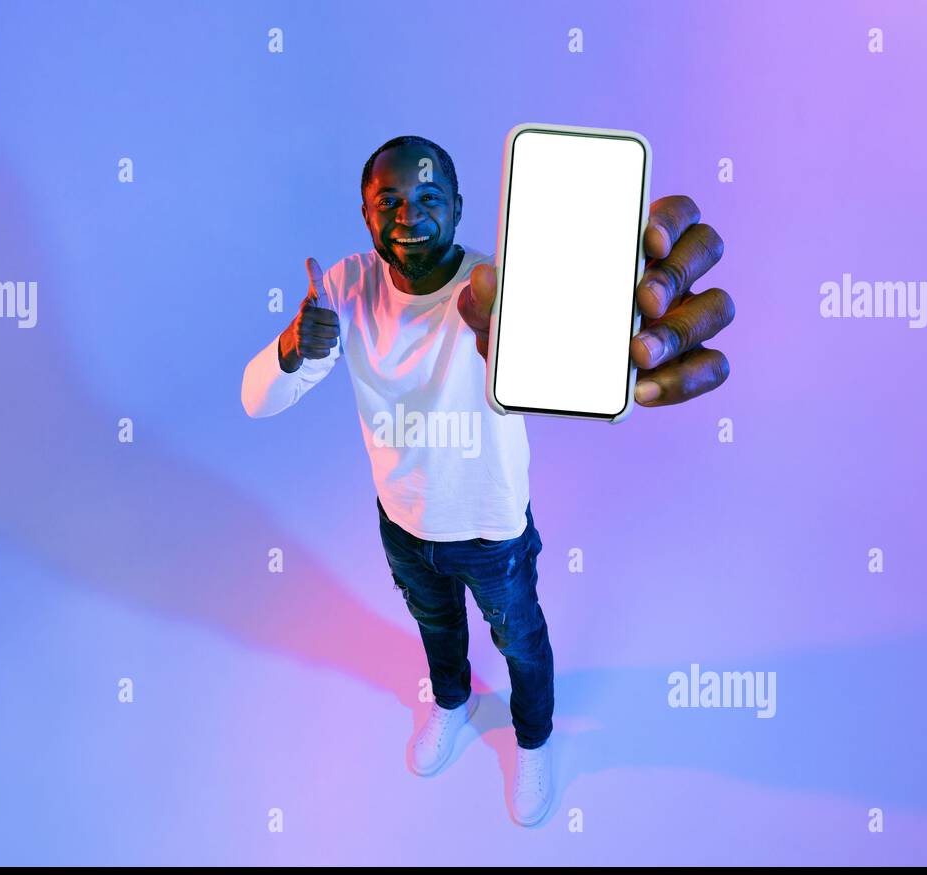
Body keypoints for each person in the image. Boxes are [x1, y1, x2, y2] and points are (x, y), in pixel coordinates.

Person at [241, 134, 733, 826]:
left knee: (521, 641)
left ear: (460, 207)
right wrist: (297, 345)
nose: (409, 214)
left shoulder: (497, 290)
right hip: (403, 525)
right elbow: (257, 400)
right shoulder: (347, 287)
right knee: (436, 629)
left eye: (429, 198)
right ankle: (453, 703)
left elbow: (583, 377)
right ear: (365, 214)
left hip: (491, 531)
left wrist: (615, 346)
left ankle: (534, 740)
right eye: (391, 201)